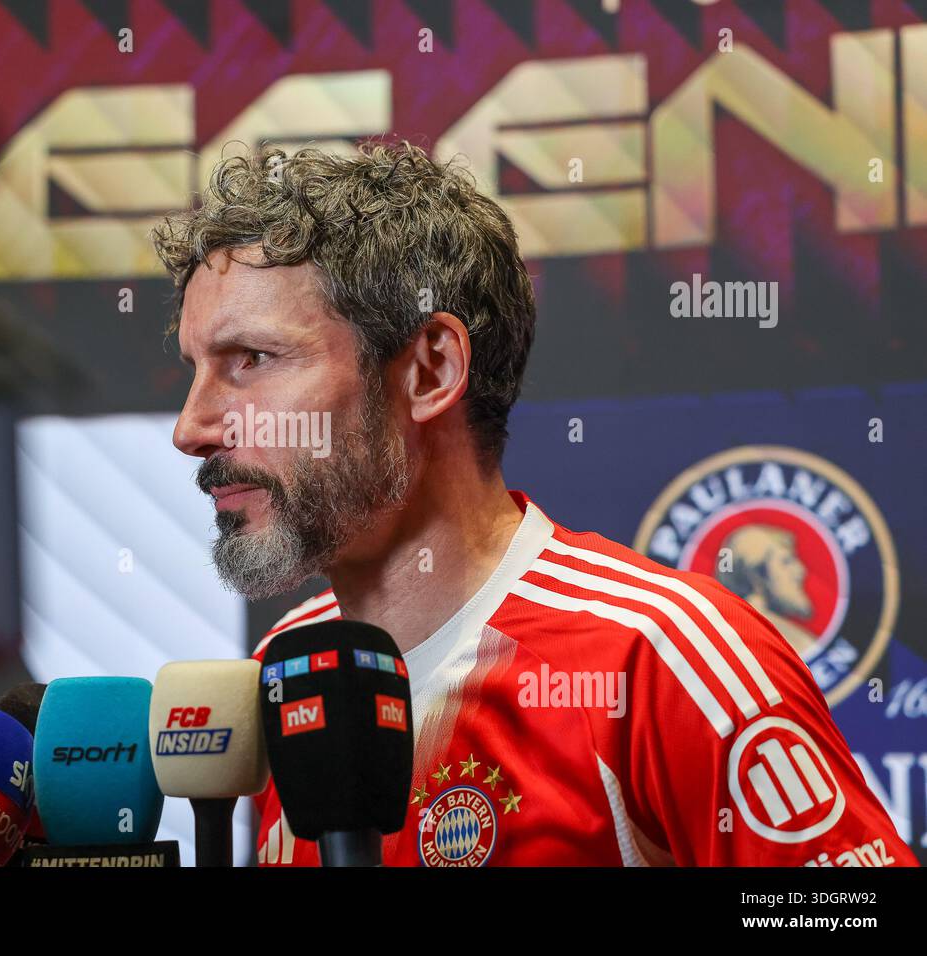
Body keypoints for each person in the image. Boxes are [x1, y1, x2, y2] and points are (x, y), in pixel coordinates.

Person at [150, 141, 915, 867]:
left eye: (251, 360)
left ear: (429, 370)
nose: (191, 428)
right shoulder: (290, 669)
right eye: (195, 369)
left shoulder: (661, 659)